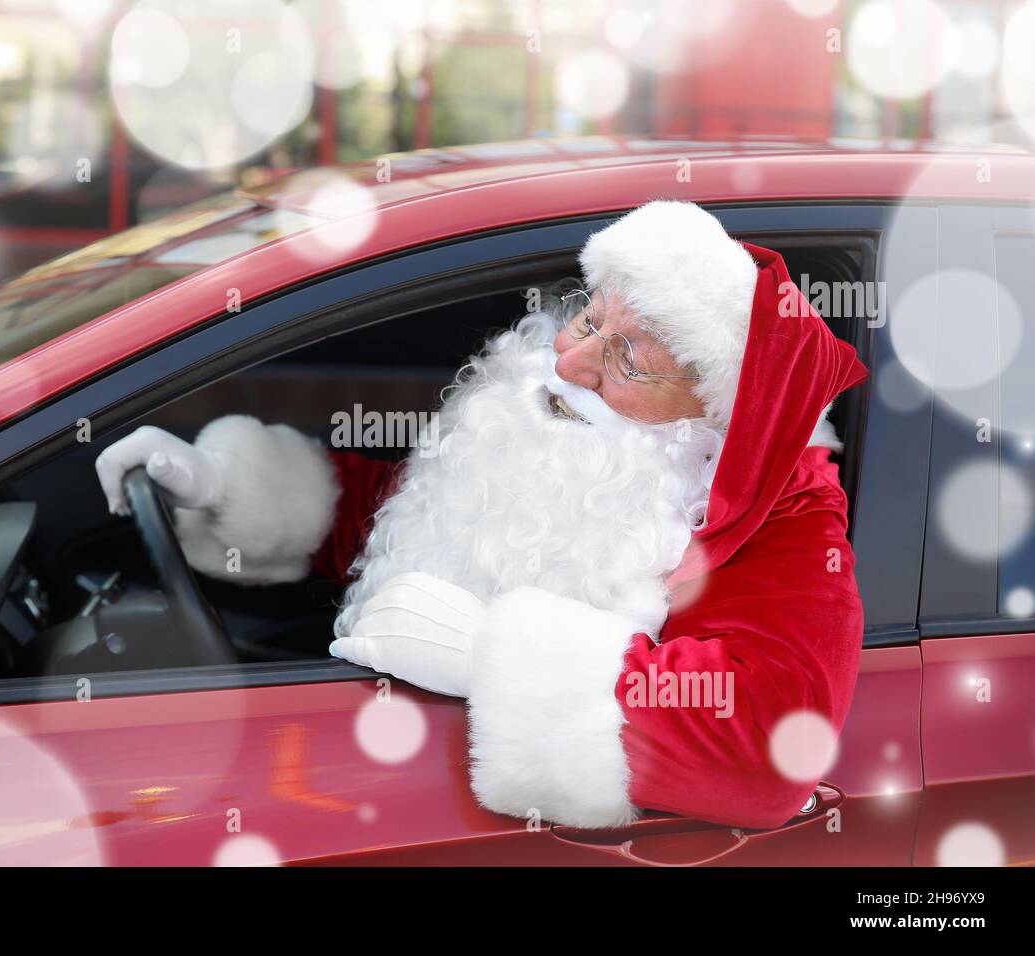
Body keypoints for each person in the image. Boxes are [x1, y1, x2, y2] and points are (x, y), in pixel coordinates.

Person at [95, 200, 869, 830]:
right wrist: (221, 487)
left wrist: (488, 657)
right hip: (351, 799)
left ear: (712, 414)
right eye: (591, 321)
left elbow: (765, 744)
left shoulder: (776, 516)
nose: (573, 362)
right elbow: (420, 517)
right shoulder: (554, 435)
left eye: (631, 361)